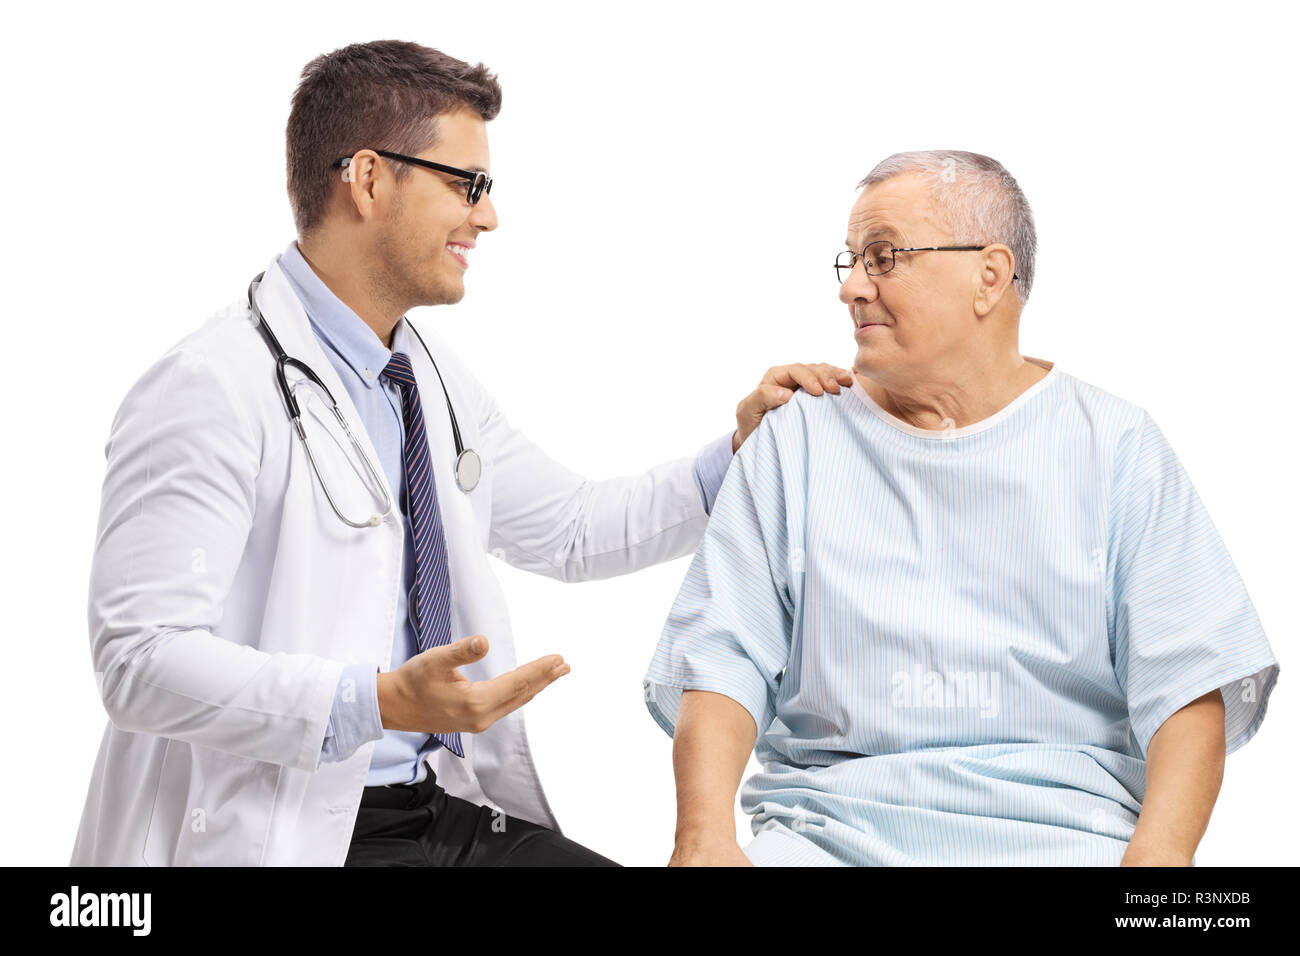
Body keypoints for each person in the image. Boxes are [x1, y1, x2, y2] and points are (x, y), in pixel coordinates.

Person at [70, 39, 853, 867]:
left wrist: (739, 451)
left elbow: (572, 529)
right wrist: (371, 702)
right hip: (285, 831)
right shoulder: (211, 386)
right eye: (466, 185)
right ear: (368, 179)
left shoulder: (422, 375)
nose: (487, 216)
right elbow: (137, 660)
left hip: (427, 810)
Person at [643, 149, 1280, 866]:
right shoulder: (794, 439)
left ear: (989, 275)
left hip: (1068, 836)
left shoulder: (1117, 446)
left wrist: (1156, 866)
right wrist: (702, 840)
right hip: (828, 832)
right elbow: (722, 660)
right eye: (850, 260)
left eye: (883, 257)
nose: (851, 287)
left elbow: (1188, 684)